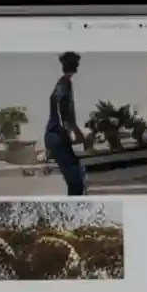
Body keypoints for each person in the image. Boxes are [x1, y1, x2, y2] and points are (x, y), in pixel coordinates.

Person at [44, 51, 90, 196]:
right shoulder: (65, 83)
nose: (77, 66)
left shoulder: (63, 82)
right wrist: (76, 133)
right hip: (57, 136)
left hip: (56, 136)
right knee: (76, 181)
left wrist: (75, 133)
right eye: (76, 63)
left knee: (77, 179)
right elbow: (64, 113)